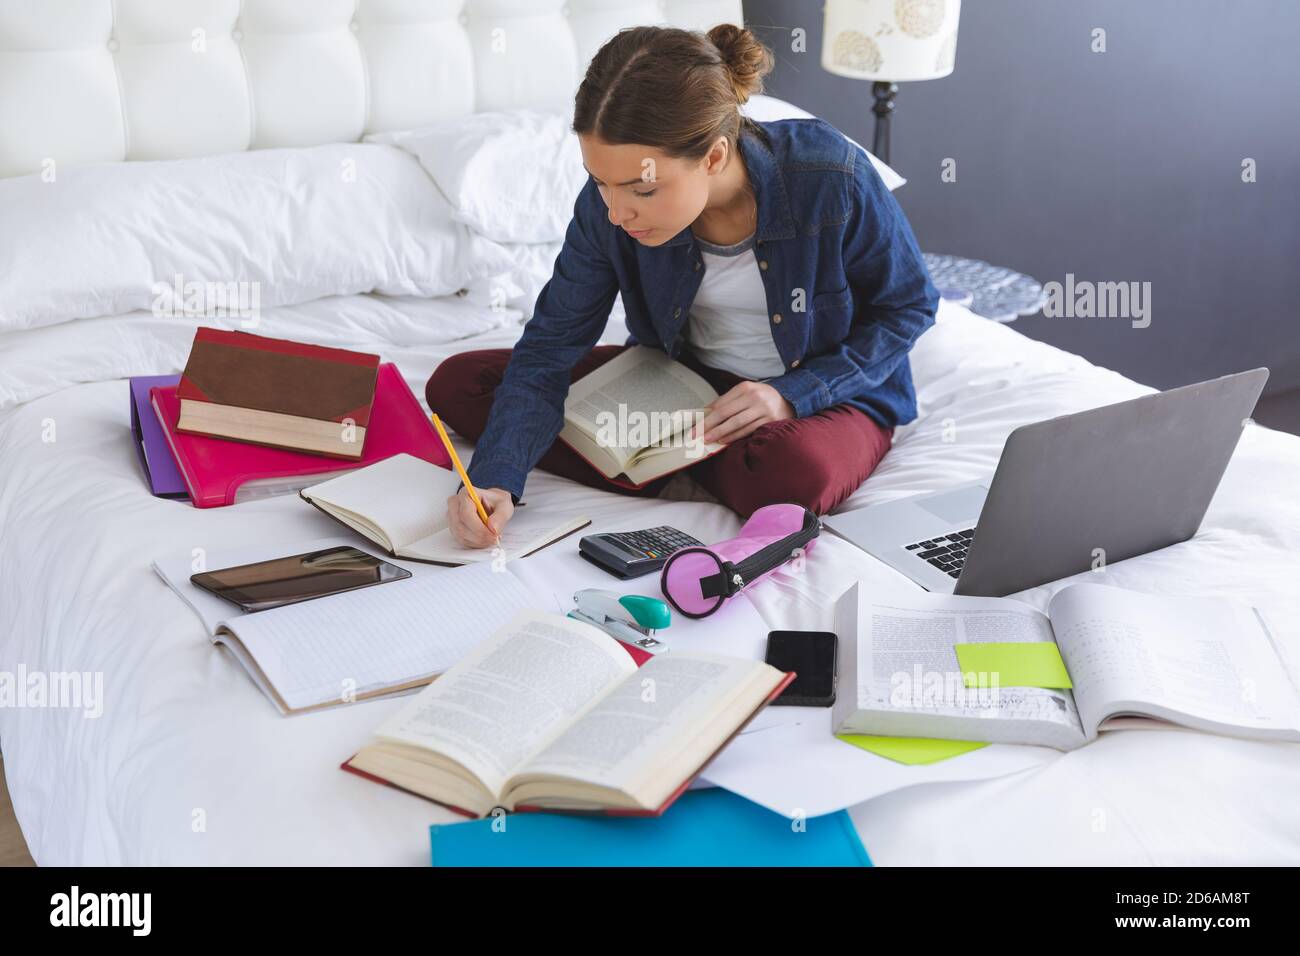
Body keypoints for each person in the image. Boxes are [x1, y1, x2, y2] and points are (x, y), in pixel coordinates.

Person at [427, 23, 938, 549]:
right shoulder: (608, 208)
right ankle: (678, 461)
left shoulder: (831, 176)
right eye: (600, 181)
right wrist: (495, 479)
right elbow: (552, 344)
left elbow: (909, 306)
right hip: (679, 385)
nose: (617, 211)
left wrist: (791, 396)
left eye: (642, 189)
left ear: (714, 157)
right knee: (459, 385)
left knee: (792, 474)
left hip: (820, 395)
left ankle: (652, 463)